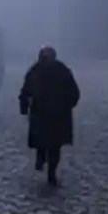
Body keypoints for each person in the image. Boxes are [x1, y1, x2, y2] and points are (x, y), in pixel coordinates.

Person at [19, 46, 80, 186]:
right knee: (54, 146)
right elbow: (74, 92)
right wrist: (68, 105)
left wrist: (24, 107)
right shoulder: (62, 70)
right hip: (58, 115)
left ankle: (42, 160)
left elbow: (25, 91)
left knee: (43, 141)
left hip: (41, 113)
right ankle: (51, 171)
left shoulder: (36, 70)